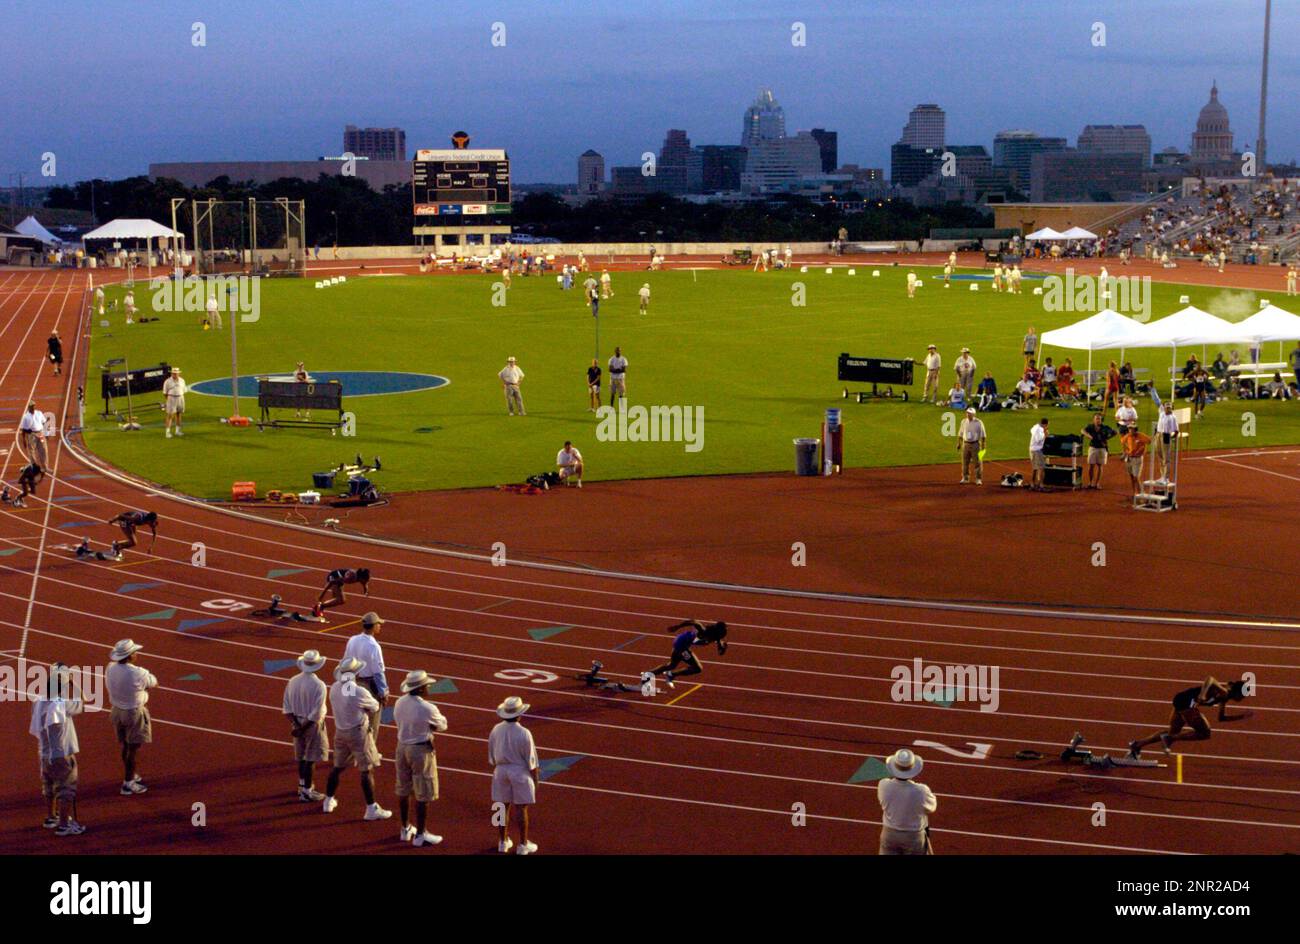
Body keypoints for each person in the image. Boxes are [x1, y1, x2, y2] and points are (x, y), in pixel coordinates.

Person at [323, 656, 391, 821]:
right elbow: (375, 707)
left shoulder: (335, 687)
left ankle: (328, 799)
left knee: (337, 767)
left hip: (341, 732)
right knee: (366, 770)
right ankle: (371, 808)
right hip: (358, 733)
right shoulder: (358, 691)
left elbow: (348, 699)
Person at [393, 670, 449, 847]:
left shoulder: (399, 702)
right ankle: (420, 834)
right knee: (423, 792)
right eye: (427, 685)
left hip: (401, 748)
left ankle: (404, 828)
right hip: (420, 750)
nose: (429, 687)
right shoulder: (427, 708)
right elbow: (442, 725)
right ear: (421, 688)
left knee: (403, 789)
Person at [1128, 677, 1249, 758]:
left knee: (1173, 732)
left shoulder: (1225, 697)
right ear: (1237, 692)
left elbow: (1221, 718)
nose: (1242, 699)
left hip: (1181, 700)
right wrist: (1202, 694)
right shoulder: (1224, 692)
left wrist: (1241, 716)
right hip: (1186, 702)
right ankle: (1169, 738)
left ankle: (1137, 745)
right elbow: (1210, 679)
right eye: (1242, 696)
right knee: (1205, 733)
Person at [30, 662, 85, 835]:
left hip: (44, 754)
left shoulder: (38, 701)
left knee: (48, 786)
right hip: (62, 754)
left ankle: (51, 817)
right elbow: (82, 701)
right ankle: (64, 825)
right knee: (66, 789)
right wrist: (71, 681)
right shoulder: (62, 703)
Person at [488, 696, 540, 855]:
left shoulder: (495, 729)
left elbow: (492, 756)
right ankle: (523, 845)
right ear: (519, 714)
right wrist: (535, 779)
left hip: (500, 770)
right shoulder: (524, 733)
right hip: (519, 771)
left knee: (501, 807)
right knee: (521, 809)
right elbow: (531, 760)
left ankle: (502, 841)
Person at [105, 639, 157, 796]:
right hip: (133, 714)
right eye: (134, 652)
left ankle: (130, 775)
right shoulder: (138, 673)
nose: (137, 654)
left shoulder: (111, 667)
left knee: (126, 746)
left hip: (117, 711)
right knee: (133, 750)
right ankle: (128, 783)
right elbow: (154, 682)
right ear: (129, 656)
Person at [282, 649, 329, 802]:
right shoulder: (319, 685)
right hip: (312, 725)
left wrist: (296, 726)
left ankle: (302, 786)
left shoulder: (292, 680)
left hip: (297, 722)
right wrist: (303, 728)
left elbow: (287, 708)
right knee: (310, 759)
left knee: (301, 757)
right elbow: (316, 713)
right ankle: (307, 792)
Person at [877, 749, 937, 855]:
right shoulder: (921, 790)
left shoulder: (883, 785)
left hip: (889, 833)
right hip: (913, 836)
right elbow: (931, 808)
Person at [342, 611, 388, 747]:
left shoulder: (352, 640)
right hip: (369, 685)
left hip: (354, 681)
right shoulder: (374, 646)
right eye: (378, 624)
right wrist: (383, 692)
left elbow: (346, 662)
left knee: (355, 718)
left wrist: (347, 689)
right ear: (373, 626)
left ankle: (352, 747)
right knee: (372, 721)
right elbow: (378, 672)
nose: (380, 626)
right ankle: (369, 749)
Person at [647, 619, 728, 688]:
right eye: (722, 632)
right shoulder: (704, 631)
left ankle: (648, 675)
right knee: (697, 668)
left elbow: (720, 649)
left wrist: (722, 649)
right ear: (716, 631)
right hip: (681, 644)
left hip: (683, 644)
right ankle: (671, 674)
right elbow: (694, 622)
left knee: (671, 665)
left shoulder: (716, 637)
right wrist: (677, 626)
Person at [1082, 413, 1115, 490]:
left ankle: (1097, 483)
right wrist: (1089, 436)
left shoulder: (1105, 428)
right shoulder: (1090, 427)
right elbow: (1082, 430)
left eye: (1099, 419)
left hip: (1102, 448)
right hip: (1093, 448)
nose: (1098, 420)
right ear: (1093, 420)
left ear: (1101, 420)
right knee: (1091, 465)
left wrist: (1107, 438)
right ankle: (1090, 482)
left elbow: (1114, 432)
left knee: (1100, 466)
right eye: (1096, 419)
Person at [1121, 423, 1151, 497]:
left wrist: (1142, 446)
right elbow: (1122, 442)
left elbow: (1149, 441)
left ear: (1135, 429)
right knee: (1131, 476)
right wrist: (1126, 451)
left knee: (1136, 477)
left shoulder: (1140, 435)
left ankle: (1141, 493)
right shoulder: (1127, 436)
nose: (1130, 430)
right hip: (1129, 459)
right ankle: (1135, 493)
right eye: (1129, 429)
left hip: (1137, 459)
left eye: (1132, 429)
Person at [957, 407, 986, 484]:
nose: (967, 414)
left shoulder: (979, 422)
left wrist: (983, 447)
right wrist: (958, 443)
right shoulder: (963, 421)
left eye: (969, 413)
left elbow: (983, 436)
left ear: (974, 414)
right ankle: (965, 478)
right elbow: (960, 433)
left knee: (977, 463)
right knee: (965, 462)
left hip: (975, 445)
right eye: (967, 413)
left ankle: (978, 479)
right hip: (965, 444)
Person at [19, 402, 48, 471]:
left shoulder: (39, 413)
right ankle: (34, 466)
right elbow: (23, 429)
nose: (33, 407)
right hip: (32, 435)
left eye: (34, 406)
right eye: (31, 406)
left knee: (43, 449)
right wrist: (24, 440)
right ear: (28, 407)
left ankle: (45, 467)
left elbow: (44, 422)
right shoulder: (26, 417)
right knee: (31, 451)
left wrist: (46, 433)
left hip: (40, 434)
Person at [1156, 401, 1180, 479]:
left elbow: (1176, 431)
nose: (1168, 407)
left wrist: (1171, 438)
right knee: (1160, 456)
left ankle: (1166, 477)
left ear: (1172, 408)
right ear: (1164, 407)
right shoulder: (1162, 414)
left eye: (1169, 406)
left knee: (1166, 458)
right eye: (1166, 406)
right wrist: (1152, 390)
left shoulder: (1173, 417)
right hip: (1158, 434)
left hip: (1166, 435)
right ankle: (1162, 475)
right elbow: (1157, 400)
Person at [162, 366, 186, 438]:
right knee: (170, 415)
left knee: (179, 414)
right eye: (173, 373)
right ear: (171, 373)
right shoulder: (167, 381)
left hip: (180, 398)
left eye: (176, 373)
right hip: (171, 398)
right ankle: (167, 432)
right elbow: (165, 393)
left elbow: (183, 390)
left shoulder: (182, 380)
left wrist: (179, 396)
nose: (175, 375)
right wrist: (169, 400)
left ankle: (178, 431)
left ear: (178, 374)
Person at [1028, 417, 1049, 491]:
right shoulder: (1040, 429)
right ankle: (1041, 485)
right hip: (1037, 450)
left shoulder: (1035, 427)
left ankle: (1032, 484)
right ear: (1045, 424)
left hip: (1032, 449)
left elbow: (1031, 431)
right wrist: (1045, 434)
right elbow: (1038, 439)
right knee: (1041, 468)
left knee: (1034, 468)